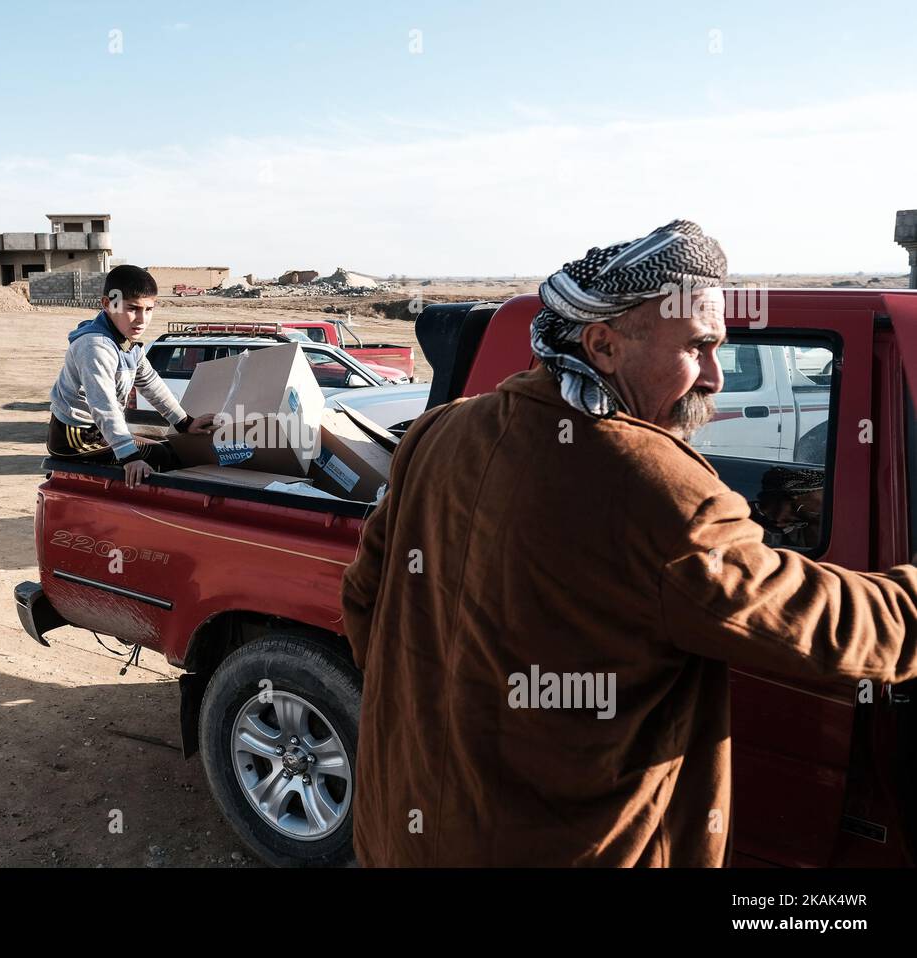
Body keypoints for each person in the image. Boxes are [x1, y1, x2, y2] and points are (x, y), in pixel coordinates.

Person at [340, 219, 917, 867]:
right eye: (697, 347)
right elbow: (829, 624)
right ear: (603, 345)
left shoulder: (440, 431)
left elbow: (365, 599)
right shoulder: (655, 483)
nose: (714, 377)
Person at [48, 265, 213, 488]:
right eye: (133, 308)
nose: (141, 319)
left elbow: (150, 382)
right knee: (161, 458)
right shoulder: (95, 346)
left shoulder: (127, 343)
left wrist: (185, 422)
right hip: (76, 437)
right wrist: (129, 457)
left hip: (99, 432)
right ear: (108, 303)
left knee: (169, 449)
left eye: (148, 309)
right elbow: (102, 404)